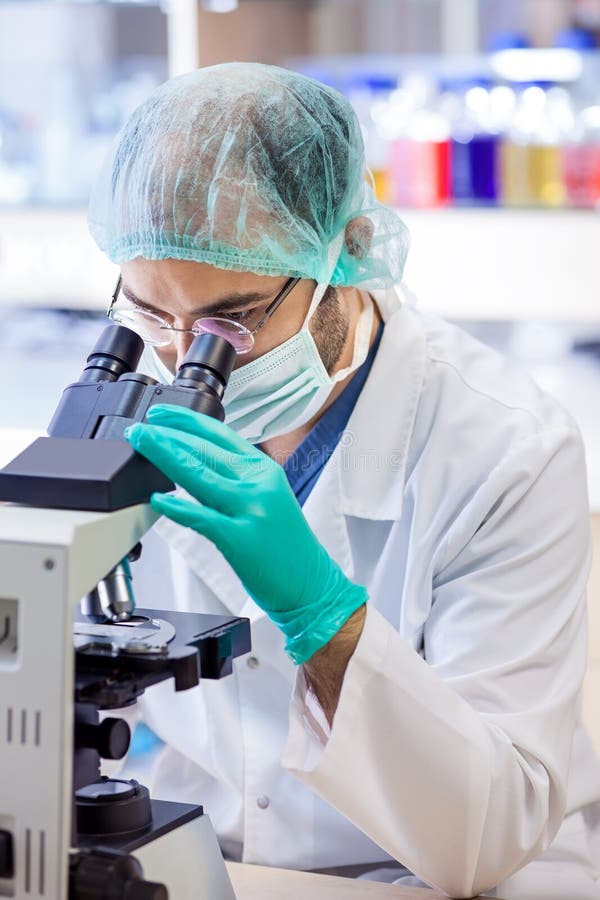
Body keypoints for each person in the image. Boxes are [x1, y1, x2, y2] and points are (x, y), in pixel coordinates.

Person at [88, 62, 600, 899]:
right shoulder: (130, 411)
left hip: (457, 874)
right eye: (151, 313)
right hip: (220, 858)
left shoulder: (507, 446)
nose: (185, 359)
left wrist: (323, 618)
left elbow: (490, 828)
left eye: (235, 318)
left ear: (346, 254)